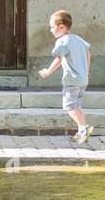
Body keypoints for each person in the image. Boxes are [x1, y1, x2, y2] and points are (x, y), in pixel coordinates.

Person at [38, 9, 94, 145]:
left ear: (61, 27)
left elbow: (58, 59)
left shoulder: (62, 41)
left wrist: (48, 72)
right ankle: (82, 131)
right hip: (83, 79)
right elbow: (88, 53)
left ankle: (83, 128)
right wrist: (86, 70)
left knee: (69, 106)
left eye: (52, 27)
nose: (51, 30)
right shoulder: (78, 39)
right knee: (77, 105)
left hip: (72, 80)